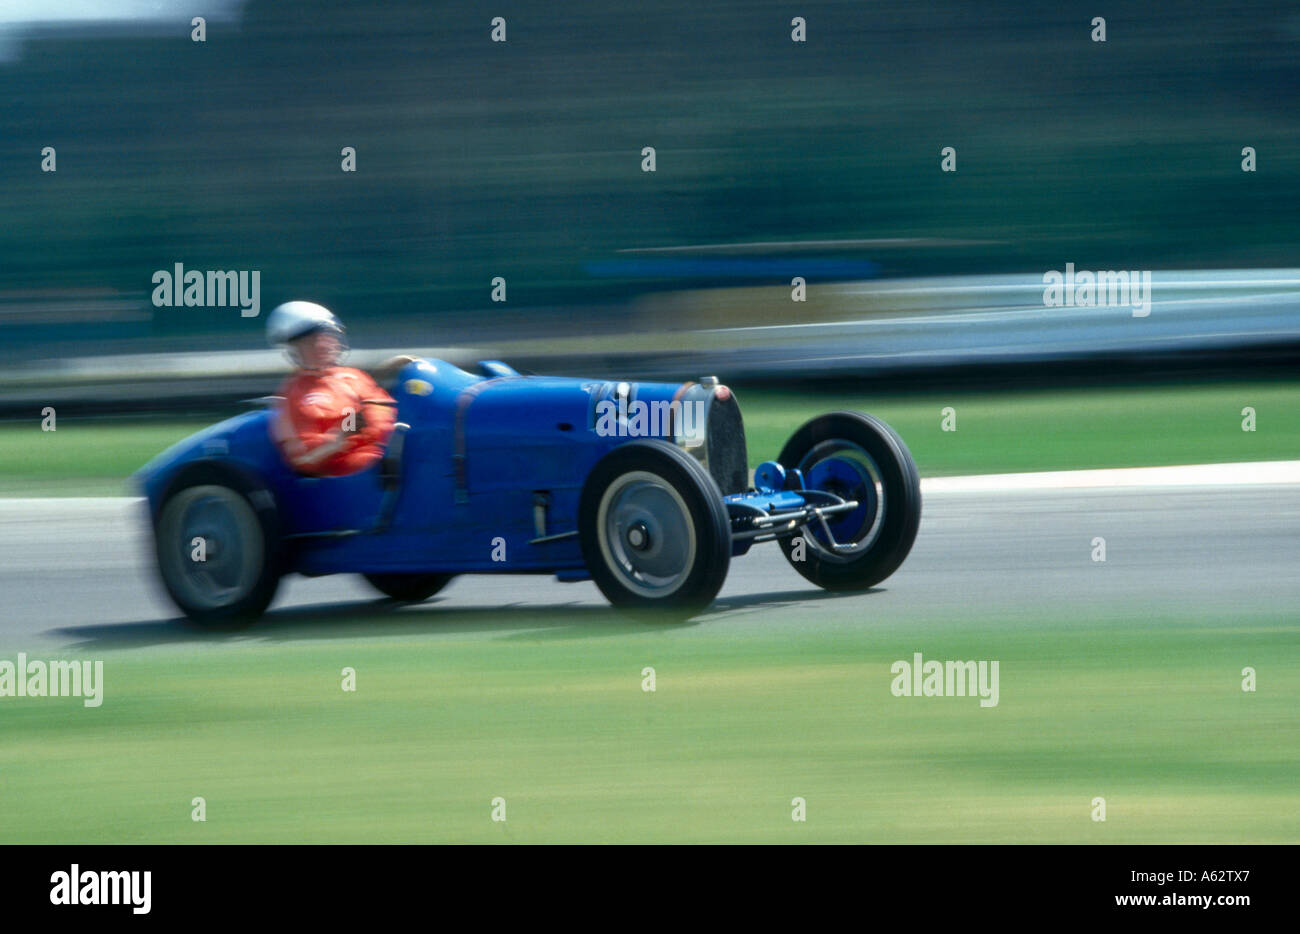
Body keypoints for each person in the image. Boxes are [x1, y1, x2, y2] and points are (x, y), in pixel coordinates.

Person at [265, 301, 397, 477]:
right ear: (294, 350)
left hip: (389, 455)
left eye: (327, 337)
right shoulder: (293, 394)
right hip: (352, 475)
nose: (323, 345)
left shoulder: (355, 376)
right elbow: (301, 458)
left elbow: (386, 412)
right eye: (310, 342)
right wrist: (338, 438)